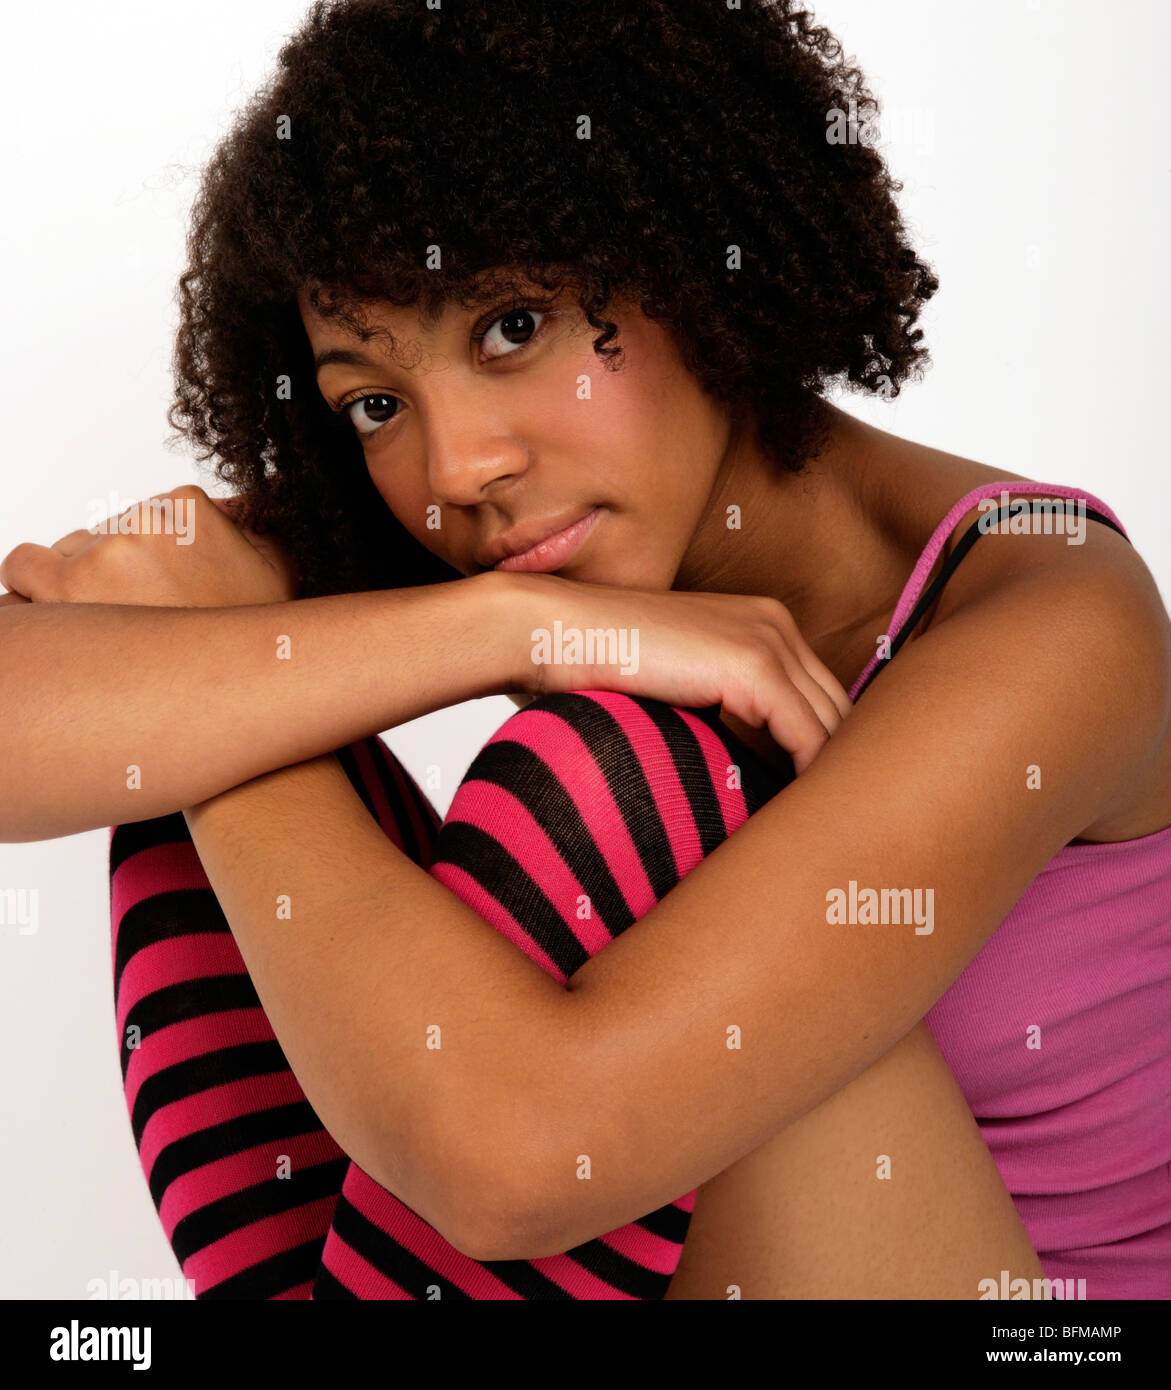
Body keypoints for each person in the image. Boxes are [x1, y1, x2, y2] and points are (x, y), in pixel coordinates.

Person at [2, 0, 1168, 1300]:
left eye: (512, 327)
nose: (459, 467)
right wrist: (517, 624)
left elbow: (516, 1157)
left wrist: (231, 729)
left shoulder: (1053, 610)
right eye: (375, 402)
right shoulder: (524, 549)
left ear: (691, 255)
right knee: (203, 711)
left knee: (583, 760)